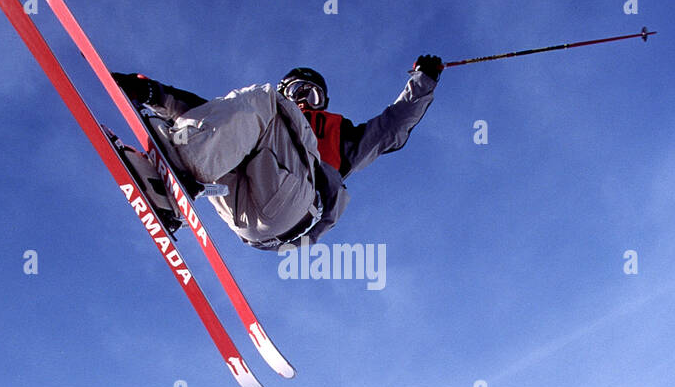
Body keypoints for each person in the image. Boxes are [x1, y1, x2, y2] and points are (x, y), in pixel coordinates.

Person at [111, 56, 444, 251]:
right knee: (211, 128)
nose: (303, 101)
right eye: (298, 92)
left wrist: (423, 78)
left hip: (296, 201)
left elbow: (392, 127)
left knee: (259, 100)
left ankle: (180, 171)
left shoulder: (339, 136)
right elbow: (207, 114)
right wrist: (151, 91)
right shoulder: (254, 122)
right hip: (247, 219)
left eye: (313, 97)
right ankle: (160, 188)